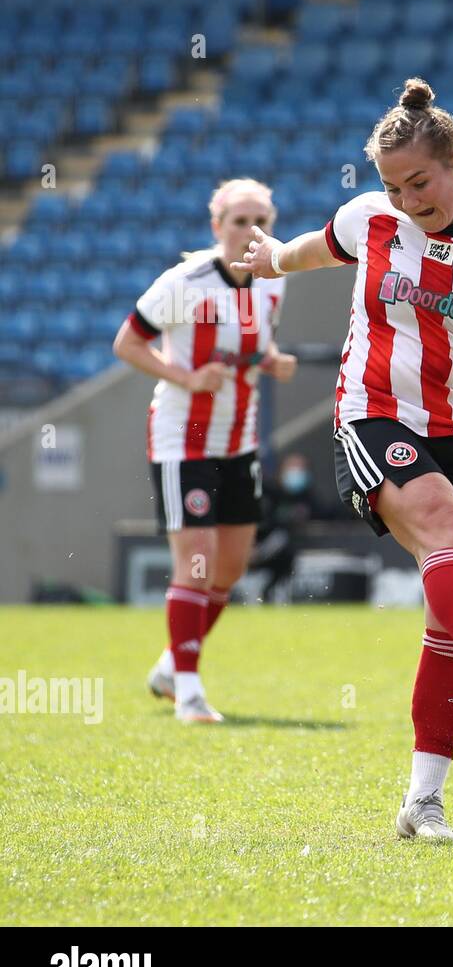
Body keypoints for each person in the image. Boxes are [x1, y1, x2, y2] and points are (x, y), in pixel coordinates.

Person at [232, 78, 453, 841]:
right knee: (443, 528)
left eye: (419, 181)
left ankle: (422, 802)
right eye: (393, 185)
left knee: (452, 614)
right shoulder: (372, 217)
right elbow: (314, 247)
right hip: (372, 415)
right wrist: (268, 263)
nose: (406, 198)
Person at [113, 178, 296, 723]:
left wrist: (272, 359)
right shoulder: (184, 282)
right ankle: (189, 692)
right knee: (195, 564)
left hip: (239, 440)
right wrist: (187, 379)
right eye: (238, 220)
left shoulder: (272, 281)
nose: (249, 230)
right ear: (217, 227)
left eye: (259, 219)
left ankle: (172, 663)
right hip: (183, 441)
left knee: (230, 569)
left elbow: (253, 344)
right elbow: (127, 343)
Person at [251, 452, 339, 600]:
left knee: (285, 547)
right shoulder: (267, 494)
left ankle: (270, 593)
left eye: (300, 468)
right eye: (292, 467)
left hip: (285, 558)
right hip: (256, 548)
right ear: (281, 471)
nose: (296, 472)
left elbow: (328, 514)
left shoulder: (308, 498)